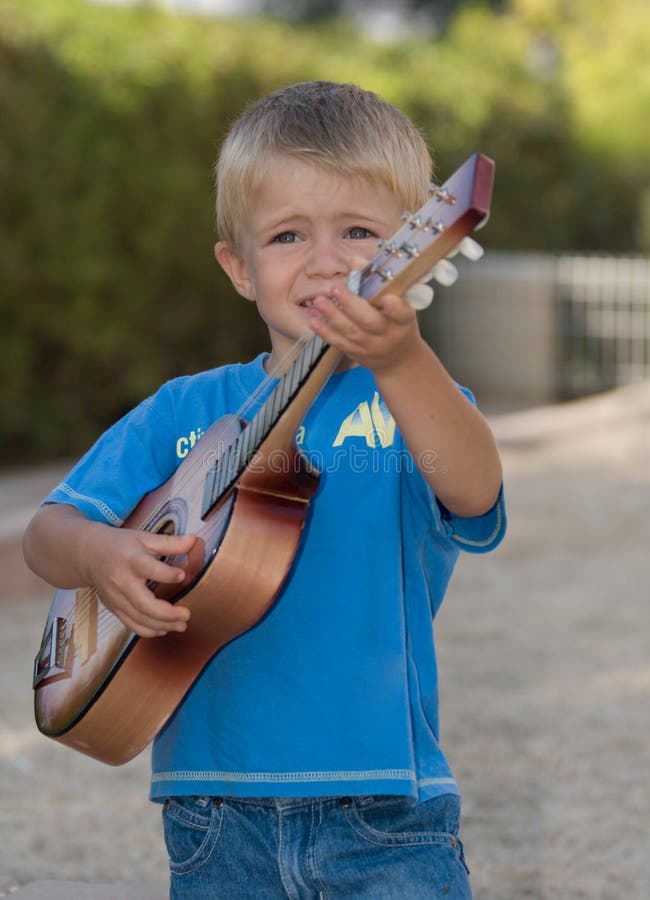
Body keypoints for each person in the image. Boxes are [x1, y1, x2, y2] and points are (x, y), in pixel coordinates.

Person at [23, 81, 506, 898]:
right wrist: (101, 553)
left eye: (360, 231)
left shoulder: (404, 401)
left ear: (413, 249)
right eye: (288, 235)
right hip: (211, 810)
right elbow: (47, 532)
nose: (326, 260)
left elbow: (475, 492)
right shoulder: (184, 411)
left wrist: (403, 363)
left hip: (383, 804)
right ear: (239, 268)